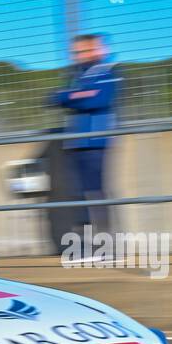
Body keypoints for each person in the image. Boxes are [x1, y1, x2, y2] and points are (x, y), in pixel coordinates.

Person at [48, 33, 121, 247]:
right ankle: (87, 244)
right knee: (79, 195)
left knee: (97, 193)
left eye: (83, 51)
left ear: (98, 50)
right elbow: (54, 97)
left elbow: (98, 99)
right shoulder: (77, 75)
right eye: (76, 52)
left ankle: (109, 244)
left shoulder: (109, 71)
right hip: (76, 142)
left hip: (96, 142)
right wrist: (76, 95)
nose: (78, 56)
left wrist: (72, 96)